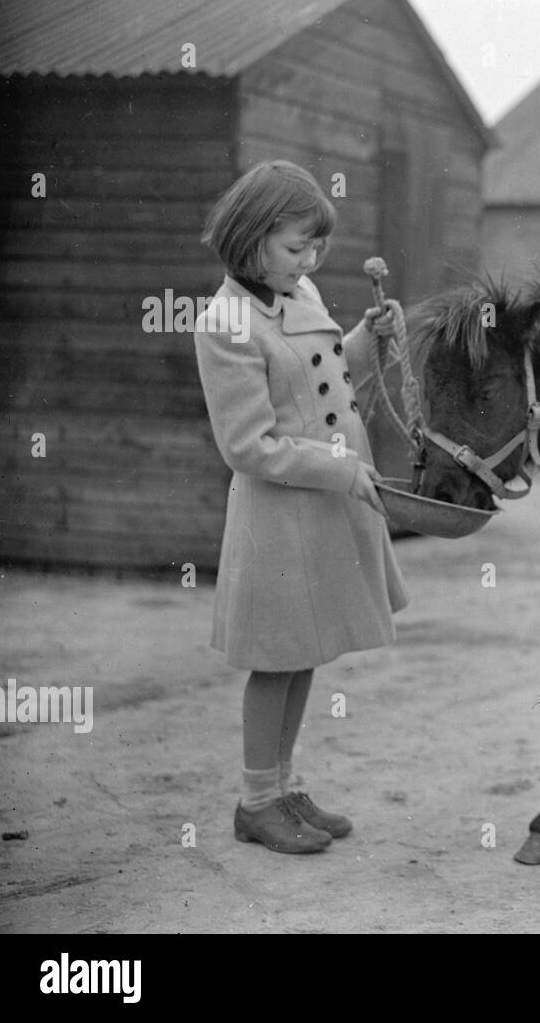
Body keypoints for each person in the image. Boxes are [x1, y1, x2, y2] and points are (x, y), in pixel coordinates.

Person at [195, 160, 407, 853]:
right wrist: (340, 468)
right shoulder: (225, 320)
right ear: (252, 237)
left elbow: (325, 377)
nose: (309, 259)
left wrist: (370, 340)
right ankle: (257, 801)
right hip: (280, 517)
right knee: (276, 655)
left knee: (307, 650)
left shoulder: (299, 290)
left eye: (317, 247)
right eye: (296, 246)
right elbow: (249, 444)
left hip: (321, 506)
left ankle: (283, 788)